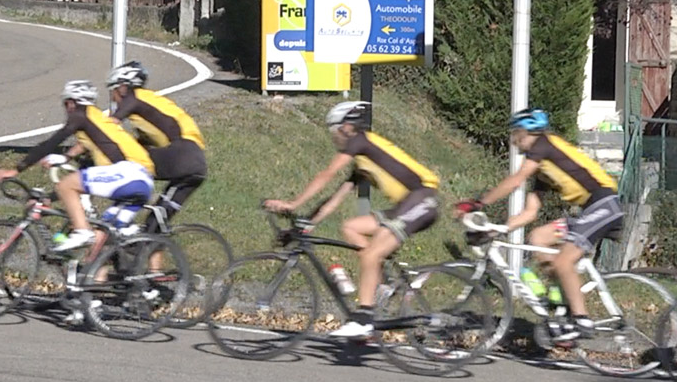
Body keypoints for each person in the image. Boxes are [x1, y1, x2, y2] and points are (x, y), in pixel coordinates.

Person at [264, 101, 440, 338]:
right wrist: (308, 223)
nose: (334, 137)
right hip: (408, 204)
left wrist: (292, 204)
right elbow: (335, 198)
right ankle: (382, 283)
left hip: (421, 199)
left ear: (346, 127)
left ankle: (364, 318)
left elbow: (327, 174)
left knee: (370, 254)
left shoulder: (360, 141)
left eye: (334, 130)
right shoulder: (363, 158)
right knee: (351, 227)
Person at [456, 107, 622, 341]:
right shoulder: (544, 167)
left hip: (603, 204)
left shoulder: (543, 145)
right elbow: (530, 212)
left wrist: (478, 203)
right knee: (538, 237)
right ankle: (561, 302)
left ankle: (582, 320)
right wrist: (497, 230)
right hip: (592, 209)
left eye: (515, 133)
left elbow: (515, 181)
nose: (513, 139)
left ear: (525, 132)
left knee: (563, 261)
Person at [0, 80, 156, 260]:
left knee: (66, 186)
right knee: (99, 244)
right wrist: (52, 193)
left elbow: (50, 144)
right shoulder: (96, 119)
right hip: (141, 178)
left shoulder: (80, 115)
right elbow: (88, 159)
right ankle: (116, 274)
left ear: (71, 102)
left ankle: (82, 232)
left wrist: (15, 170)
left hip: (130, 174)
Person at [106, 60, 206, 233]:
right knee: (155, 226)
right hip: (195, 159)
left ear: (122, 87)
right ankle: (145, 242)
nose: (112, 97)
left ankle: (120, 221)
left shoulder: (133, 98)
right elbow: (140, 145)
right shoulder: (149, 101)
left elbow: (106, 128)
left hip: (181, 153)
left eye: (113, 90)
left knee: (128, 170)